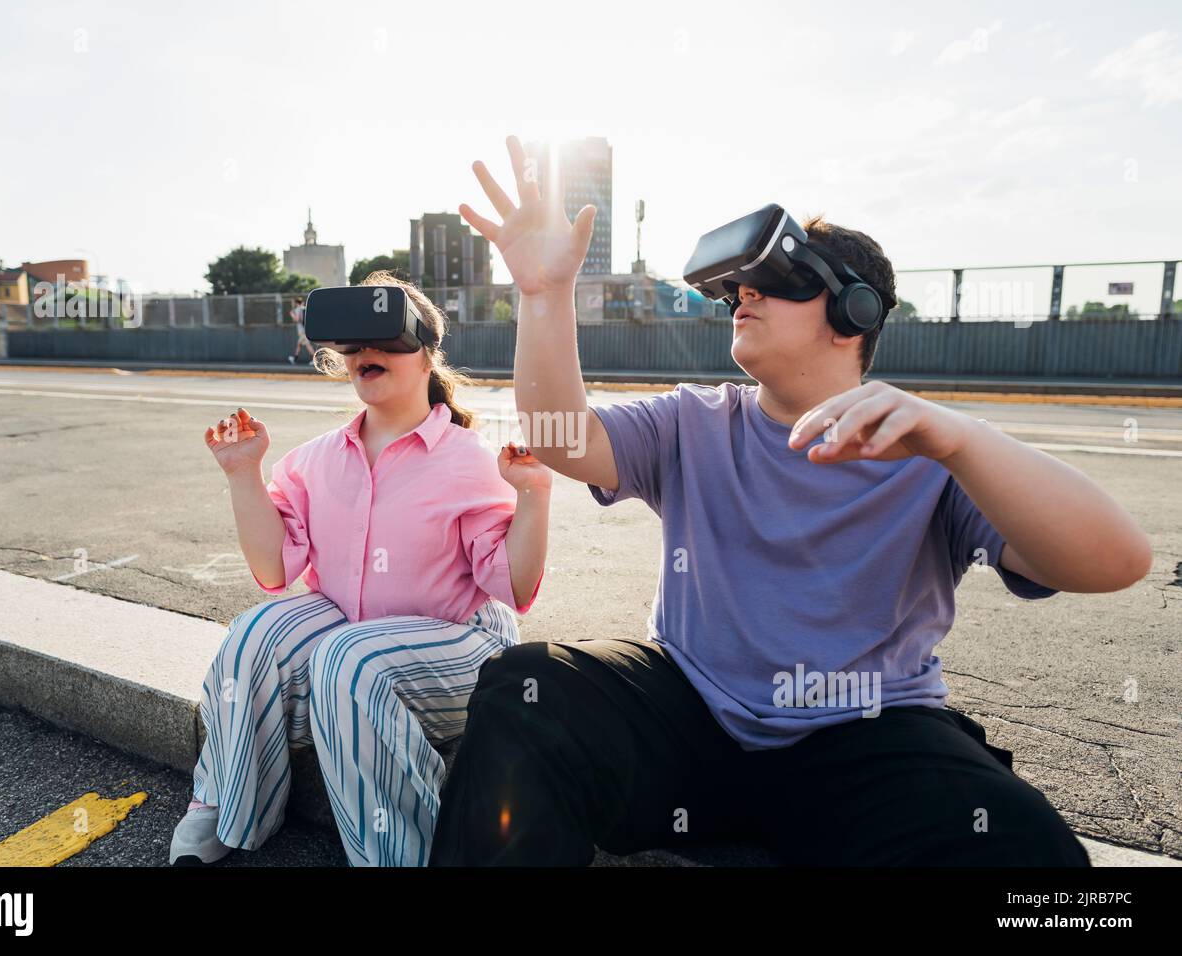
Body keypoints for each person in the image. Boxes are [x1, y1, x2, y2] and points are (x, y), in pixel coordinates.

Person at [427, 136, 1153, 866]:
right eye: (737, 287)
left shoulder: (930, 451)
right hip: (693, 716)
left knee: (1025, 847)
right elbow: (560, 437)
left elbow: (1115, 560)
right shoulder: (696, 421)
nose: (744, 296)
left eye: (773, 281)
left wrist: (963, 440)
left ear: (853, 311)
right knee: (527, 686)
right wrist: (543, 294)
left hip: (865, 733)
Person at [173, 270, 552, 866]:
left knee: (346, 659)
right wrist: (243, 474)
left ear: (427, 355)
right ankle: (224, 804)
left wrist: (534, 496)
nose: (365, 354)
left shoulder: (468, 460)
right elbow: (274, 571)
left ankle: (399, 855)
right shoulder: (314, 461)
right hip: (348, 632)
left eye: (385, 339)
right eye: (353, 344)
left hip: (460, 645)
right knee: (252, 635)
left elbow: (515, 585)